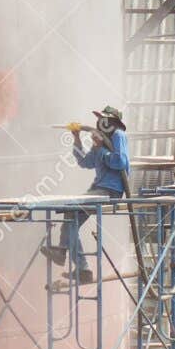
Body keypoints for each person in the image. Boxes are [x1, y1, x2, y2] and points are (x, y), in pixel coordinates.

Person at [41, 107, 130, 285]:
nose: (99, 123)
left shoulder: (118, 136)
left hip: (110, 191)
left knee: (71, 213)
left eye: (103, 120)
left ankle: (64, 253)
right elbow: (84, 162)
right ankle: (82, 269)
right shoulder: (101, 143)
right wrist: (76, 138)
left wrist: (101, 150)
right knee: (70, 220)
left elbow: (121, 162)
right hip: (98, 189)